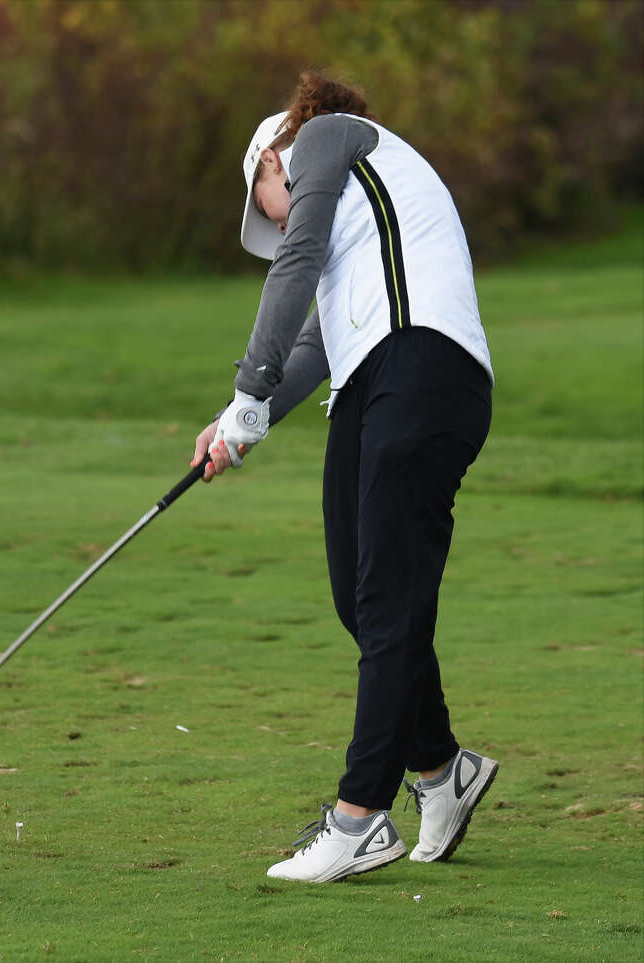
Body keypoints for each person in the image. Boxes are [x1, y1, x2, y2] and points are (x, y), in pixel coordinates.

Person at [191, 73, 499, 883]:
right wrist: (236, 428)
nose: (277, 216)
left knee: (387, 600)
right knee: (357, 595)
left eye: (268, 200)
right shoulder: (353, 238)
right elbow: (317, 349)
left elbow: (293, 262)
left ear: (273, 158)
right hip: (372, 377)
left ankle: (359, 816)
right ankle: (442, 771)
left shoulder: (327, 136)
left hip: (424, 365)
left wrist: (247, 389)